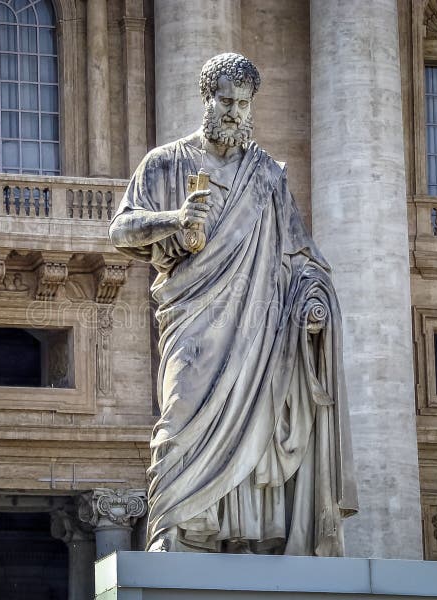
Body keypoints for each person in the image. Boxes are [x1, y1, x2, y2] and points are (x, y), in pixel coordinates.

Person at [109, 52, 357, 555]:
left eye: (244, 104)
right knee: (179, 418)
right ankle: (173, 528)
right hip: (193, 321)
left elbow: (301, 255)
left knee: (255, 423)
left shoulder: (267, 176)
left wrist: (313, 301)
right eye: (226, 101)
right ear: (206, 99)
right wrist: (176, 219)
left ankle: (240, 536)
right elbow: (120, 230)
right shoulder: (165, 164)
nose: (235, 113)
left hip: (257, 329)